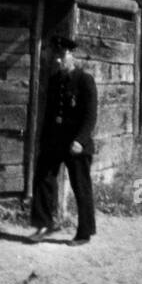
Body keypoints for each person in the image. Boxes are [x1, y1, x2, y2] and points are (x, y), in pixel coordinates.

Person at [29, 35, 98, 246]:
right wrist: (42, 141)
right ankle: (43, 224)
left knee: (81, 186)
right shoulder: (55, 81)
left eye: (61, 56)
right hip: (54, 142)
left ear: (71, 55)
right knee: (42, 179)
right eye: (55, 56)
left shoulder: (84, 80)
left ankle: (84, 233)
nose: (57, 60)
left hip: (76, 144)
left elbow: (91, 115)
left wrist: (80, 140)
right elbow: (49, 114)